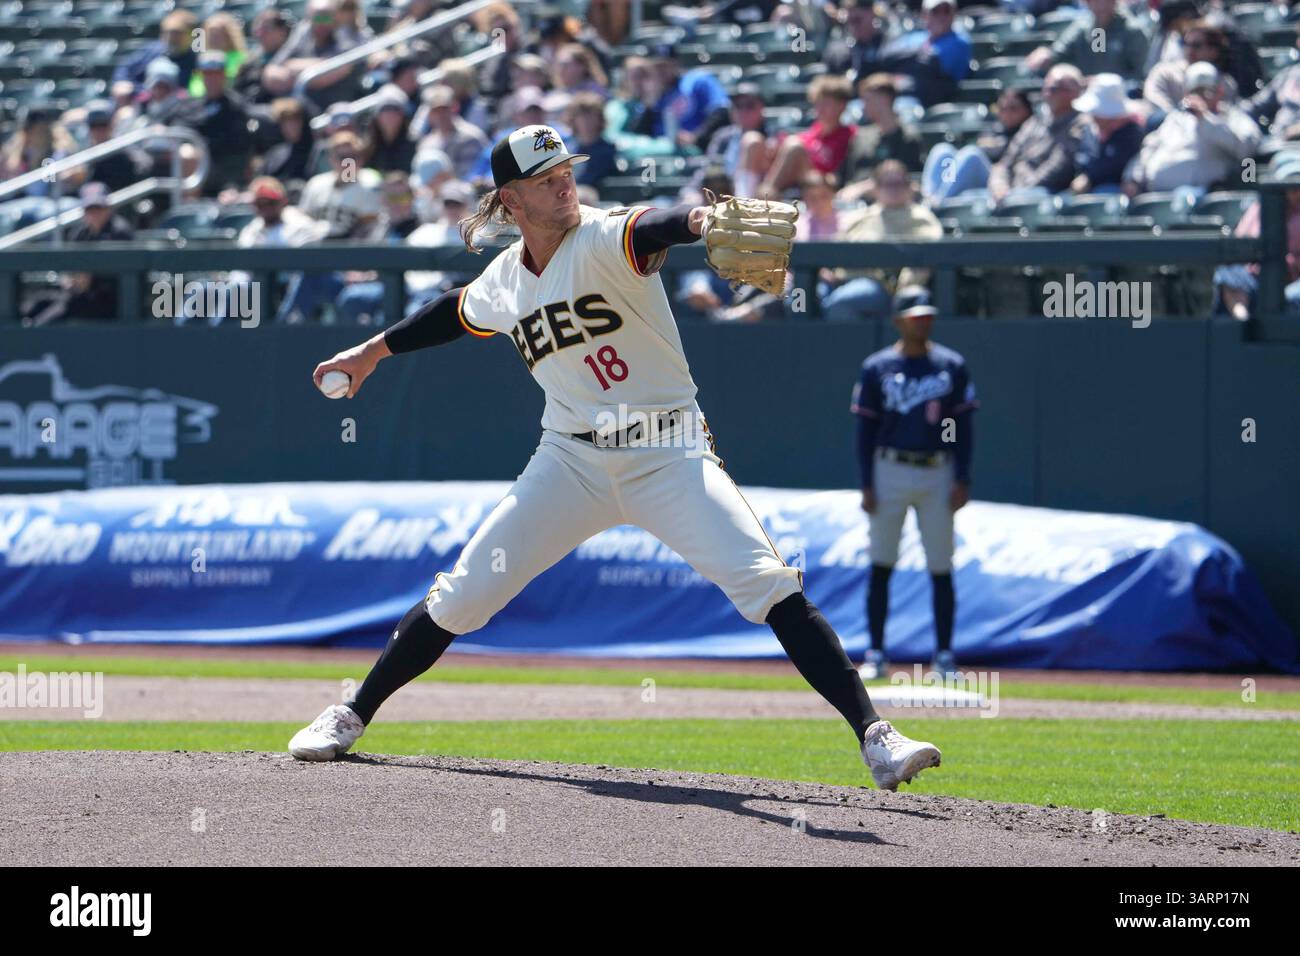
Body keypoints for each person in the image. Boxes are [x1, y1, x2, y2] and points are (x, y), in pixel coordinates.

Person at [289, 124, 943, 792]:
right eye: (547, 179)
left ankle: (877, 738)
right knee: (463, 596)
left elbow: (653, 229)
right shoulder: (506, 278)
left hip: (669, 454)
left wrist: (696, 218)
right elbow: (455, 312)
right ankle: (350, 713)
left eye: (566, 169)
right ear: (511, 201)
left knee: (768, 583)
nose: (564, 182)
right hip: (568, 463)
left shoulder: (603, 235)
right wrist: (369, 352)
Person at [851, 286, 977, 681]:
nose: (923, 321)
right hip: (889, 466)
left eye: (927, 314)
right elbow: (865, 429)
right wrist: (867, 484)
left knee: (941, 565)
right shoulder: (878, 367)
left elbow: (960, 426)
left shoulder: (950, 366)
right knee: (881, 563)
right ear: (898, 320)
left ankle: (943, 655)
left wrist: (961, 474)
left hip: (936, 468)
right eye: (915, 314)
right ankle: (876, 652)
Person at [823, 160, 942, 321]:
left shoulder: (921, 218)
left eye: (899, 184)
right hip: (838, 281)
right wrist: (826, 270)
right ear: (876, 188)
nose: (894, 189)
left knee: (843, 302)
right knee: (796, 300)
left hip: (882, 288)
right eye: (887, 184)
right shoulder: (860, 217)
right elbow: (834, 250)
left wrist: (901, 293)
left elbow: (922, 261)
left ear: (909, 187)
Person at [1123, 62, 1260, 197]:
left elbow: (1247, 148)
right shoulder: (1175, 119)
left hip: (1200, 196)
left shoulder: (1234, 118)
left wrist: (1205, 119)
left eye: (1206, 91)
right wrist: (1133, 178)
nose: (1200, 96)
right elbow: (1149, 148)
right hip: (1155, 194)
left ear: (1220, 91)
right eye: (1194, 91)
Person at [21, 183, 134, 326]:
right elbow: (71, 270)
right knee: (35, 304)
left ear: (108, 208)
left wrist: (91, 279)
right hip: (78, 294)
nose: (94, 214)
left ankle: (33, 339)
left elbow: (119, 276)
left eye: (98, 208)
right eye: (90, 209)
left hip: (109, 300)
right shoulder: (81, 233)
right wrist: (70, 280)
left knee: (56, 313)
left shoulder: (120, 231)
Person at [987, 64, 1088, 202]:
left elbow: (1057, 169)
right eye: (1045, 87)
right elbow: (1006, 161)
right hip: (1012, 190)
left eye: (1053, 88)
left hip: (1043, 193)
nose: (1046, 93)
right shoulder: (1035, 121)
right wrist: (999, 184)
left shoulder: (1079, 124)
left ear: (1074, 92)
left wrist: (1019, 189)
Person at [877, 0, 971, 109]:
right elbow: (885, 57)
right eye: (935, 12)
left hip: (937, 104)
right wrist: (917, 57)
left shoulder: (959, 41)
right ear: (924, 15)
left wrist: (907, 60)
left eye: (947, 11)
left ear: (954, 14)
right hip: (903, 95)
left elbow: (932, 63)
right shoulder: (915, 37)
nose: (942, 16)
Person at [1024, 0, 1149, 79]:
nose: (1101, 5)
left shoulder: (1132, 30)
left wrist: (1104, 81)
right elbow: (1060, 52)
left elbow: (1140, 75)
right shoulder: (1090, 27)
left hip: (1123, 96)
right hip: (1088, 96)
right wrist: (1046, 54)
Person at [1070, 73, 1144, 194]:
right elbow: (1084, 159)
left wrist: (1089, 177)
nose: (1094, 116)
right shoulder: (1091, 130)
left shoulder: (1132, 132)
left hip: (1116, 190)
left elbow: (1115, 167)